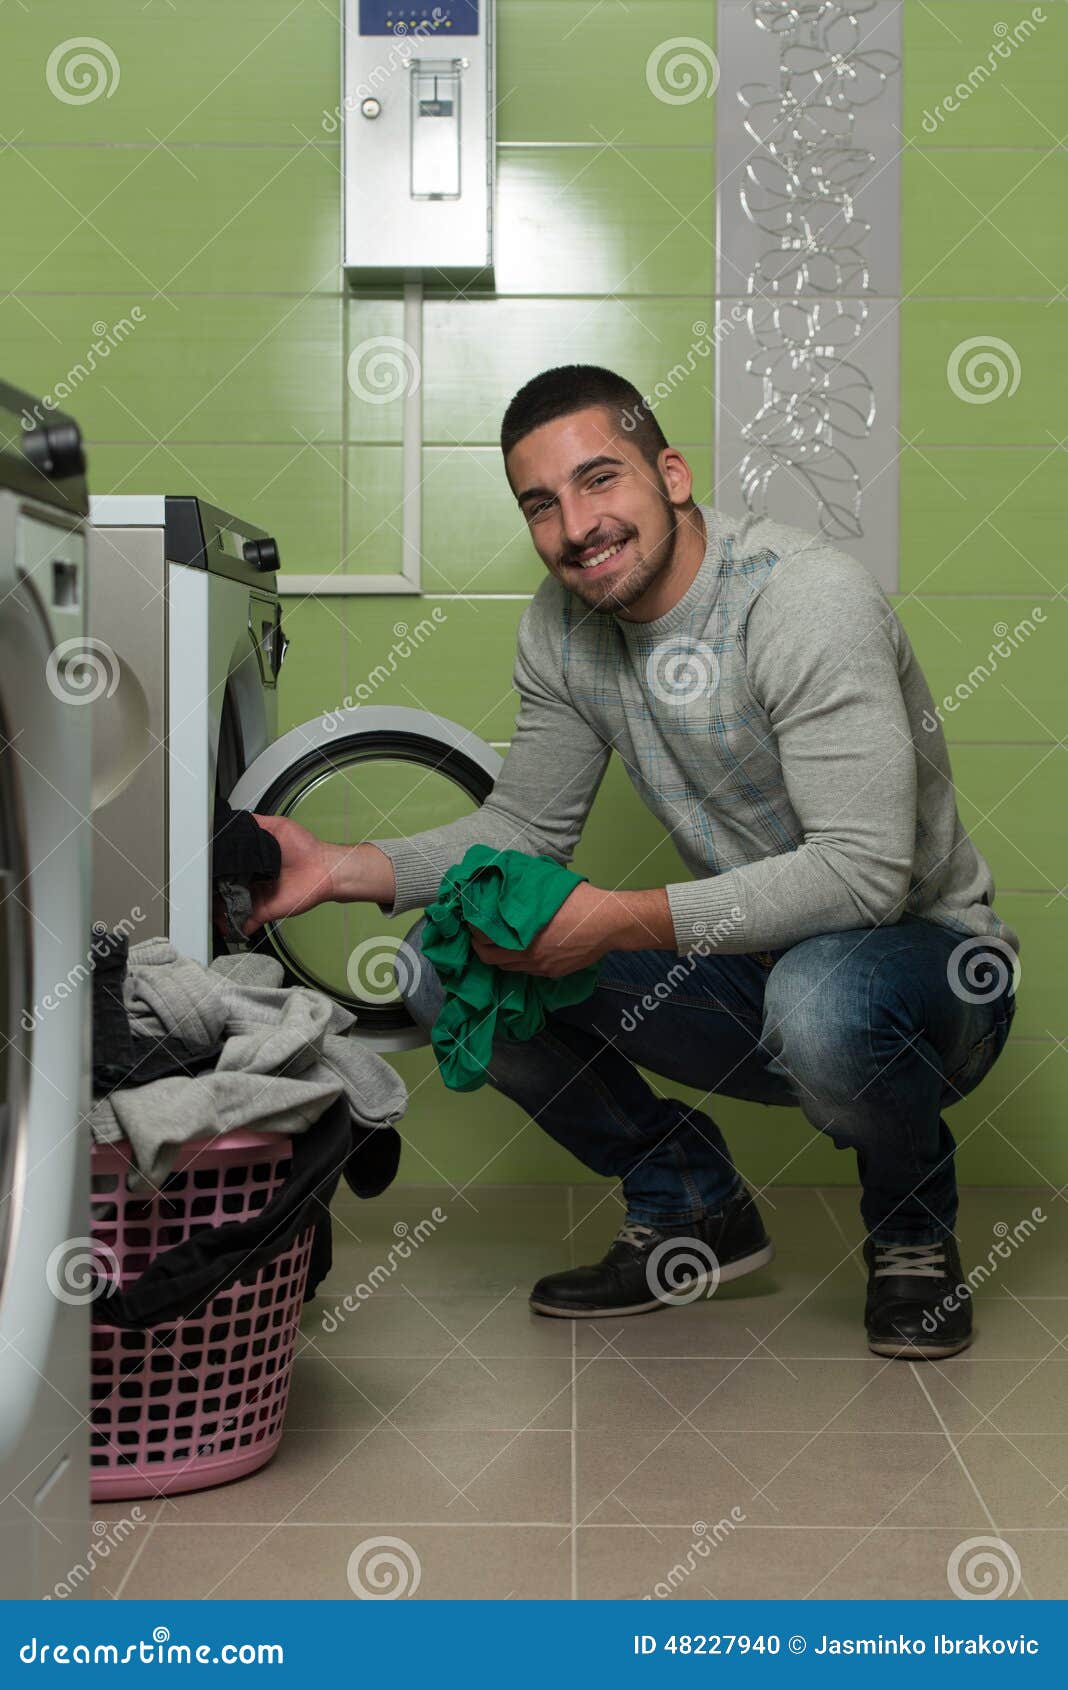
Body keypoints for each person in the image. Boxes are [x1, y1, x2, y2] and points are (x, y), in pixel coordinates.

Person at [242, 365, 1019, 1360]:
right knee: (451, 962)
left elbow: (862, 876)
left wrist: (611, 921)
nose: (576, 525)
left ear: (674, 475)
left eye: (600, 479)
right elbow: (524, 828)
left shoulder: (801, 599)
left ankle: (912, 1233)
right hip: (756, 967)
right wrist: (337, 866)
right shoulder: (564, 628)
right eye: (542, 504)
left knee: (825, 996)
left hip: (928, 969)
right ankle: (690, 1202)